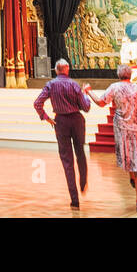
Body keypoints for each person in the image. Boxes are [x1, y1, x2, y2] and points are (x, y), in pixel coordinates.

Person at [88, 65, 137, 212]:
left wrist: (89, 91)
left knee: (127, 155)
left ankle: (131, 176)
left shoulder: (114, 87)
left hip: (122, 128)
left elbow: (101, 102)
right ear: (130, 75)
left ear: (118, 75)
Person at [33, 59, 92, 209]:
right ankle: (83, 181)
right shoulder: (74, 84)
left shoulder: (51, 85)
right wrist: (85, 93)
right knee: (80, 152)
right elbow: (85, 107)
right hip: (76, 120)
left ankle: (74, 199)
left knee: (67, 161)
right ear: (67, 69)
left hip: (61, 122)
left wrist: (46, 118)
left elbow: (37, 103)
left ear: (56, 70)